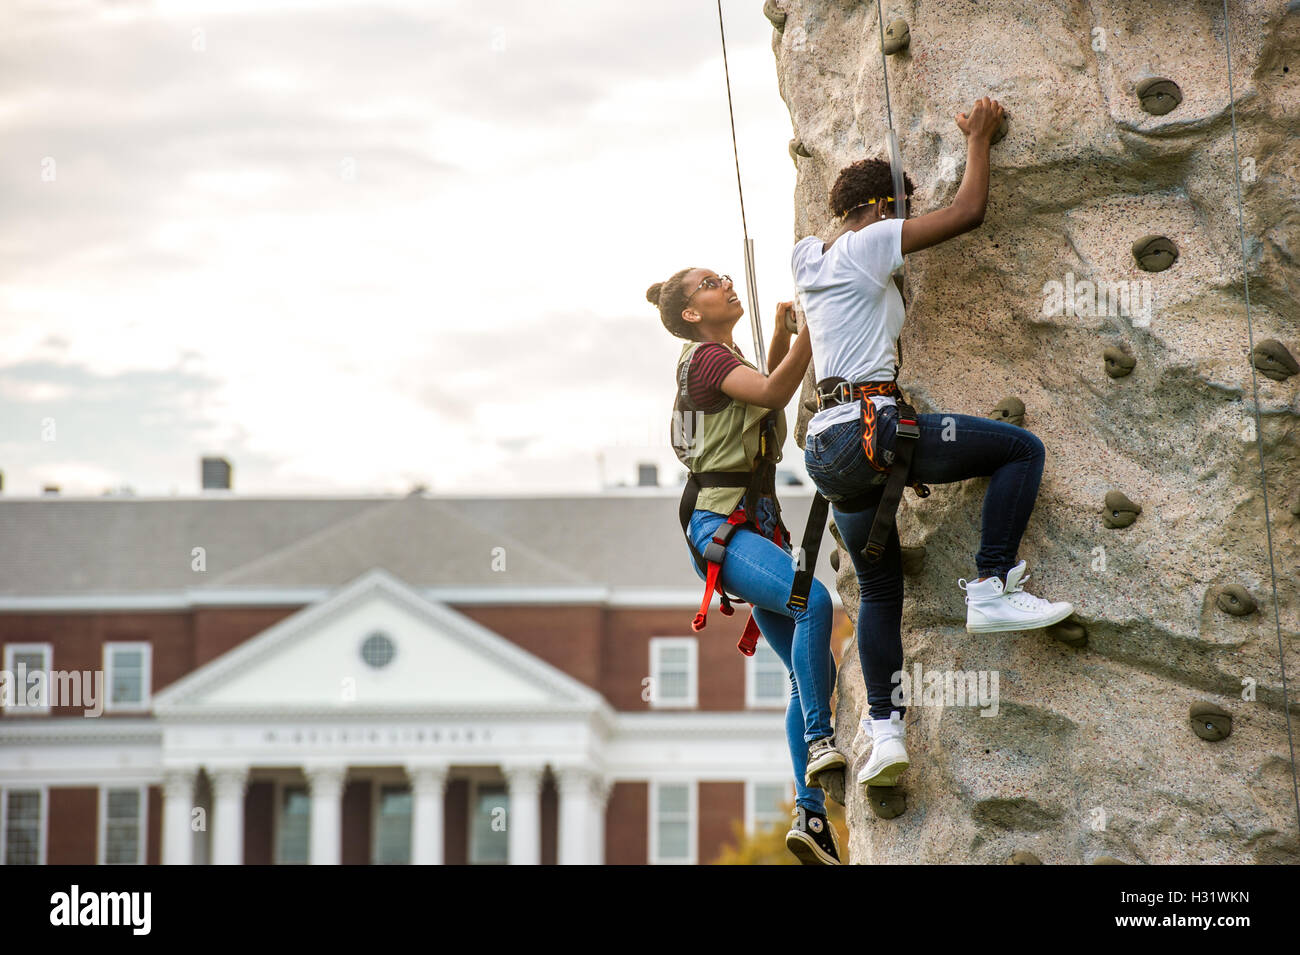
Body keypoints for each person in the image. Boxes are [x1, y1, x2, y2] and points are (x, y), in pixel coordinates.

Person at [794, 97, 1075, 792]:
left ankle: (885, 733)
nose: (904, 222)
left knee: (880, 589)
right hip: (874, 428)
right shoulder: (866, 244)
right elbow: (968, 213)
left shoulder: (811, 257)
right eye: (900, 207)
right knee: (1020, 450)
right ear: (880, 206)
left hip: (829, 453)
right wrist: (979, 139)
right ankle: (991, 582)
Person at [648, 267, 844, 864]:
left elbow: (762, 393)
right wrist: (813, 331)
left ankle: (809, 814)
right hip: (722, 529)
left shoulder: (721, 357)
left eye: (727, 277)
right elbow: (771, 394)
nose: (728, 285)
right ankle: (818, 741)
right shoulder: (707, 358)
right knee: (813, 603)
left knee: (805, 672)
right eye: (712, 283)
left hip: (748, 529)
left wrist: (785, 340)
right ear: (690, 312)